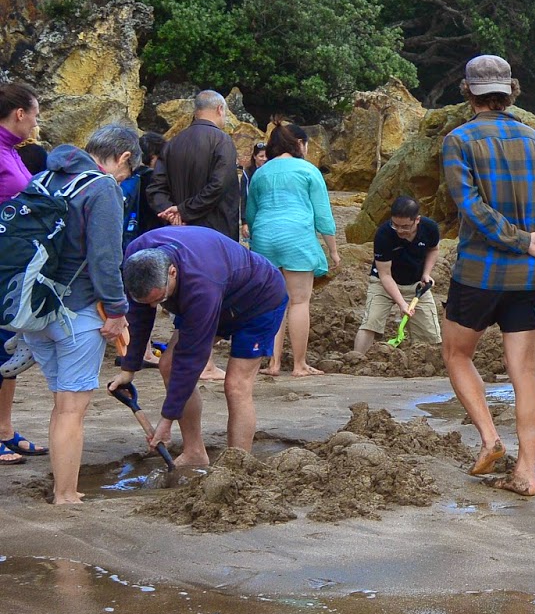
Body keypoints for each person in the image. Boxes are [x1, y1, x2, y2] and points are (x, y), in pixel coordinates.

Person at [440, 55, 535, 496]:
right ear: (510, 92)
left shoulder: (458, 140)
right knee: (523, 372)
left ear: (468, 92)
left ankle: (491, 439)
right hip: (528, 278)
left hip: (478, 271)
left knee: (457, 354)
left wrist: (517, 239)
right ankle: (527, 472)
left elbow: (471, 209)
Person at [20, 127, 136, 502]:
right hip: (78, 314)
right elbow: (106, 259)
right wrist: (117, 311)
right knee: (71, 409)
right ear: (123, 158)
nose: (124, 178)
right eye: (128, 171)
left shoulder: (44, 178)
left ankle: (61, 485)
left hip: (35, 310)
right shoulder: (102, 188)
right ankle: (65, 494)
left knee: (60, 403)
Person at [110, 227, 289, 466]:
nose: (154, 307)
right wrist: (128, 368)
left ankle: (236, 467)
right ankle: (195, 452)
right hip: (215, 291)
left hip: (259, 300)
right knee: (169, 364)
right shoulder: (137, 256)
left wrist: (166, 420)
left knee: (236, 385)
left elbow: (192, 357)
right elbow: (139, 316)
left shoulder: (202, 283)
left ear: (172, 272)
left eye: (160, 300)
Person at [244, 123, 339, 377]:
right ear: (299, 144)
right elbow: (323, 216)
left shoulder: (261, 173)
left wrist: (256, 240)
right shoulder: (308, 170)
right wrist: (333, 251)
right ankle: (299, 365)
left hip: (264, 237)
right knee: (298, 301)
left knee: (274, 303)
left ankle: (273, 364)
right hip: (296, 236)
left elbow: (251, 214)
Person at [0, 82, 43, 465]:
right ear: (19, 114)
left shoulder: (11, 150)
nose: (35, 123)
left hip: (12, 263)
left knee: (9, 348)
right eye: (34, 115)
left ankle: (4, 430)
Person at [146, 89, 242, 239]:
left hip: (178, 232)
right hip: (215, 233)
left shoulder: (173, 143)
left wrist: (170, 214)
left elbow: (155, 187)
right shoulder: (222, 141)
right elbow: (218, 185)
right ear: (220, 109)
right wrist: (183, 210)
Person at [354, 196, 441, 355]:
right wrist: (402, 304)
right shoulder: (384, 234)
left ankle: (425, 365)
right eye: (396, 225)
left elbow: (433, 250)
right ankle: (356, 359)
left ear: (417, 220)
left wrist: (426, 274)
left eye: (405, 226)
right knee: (370, 322)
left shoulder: (430, 228)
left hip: (416, 286)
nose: (400, 230)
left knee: (430, 335)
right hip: (383, 283)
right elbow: (385, 275)